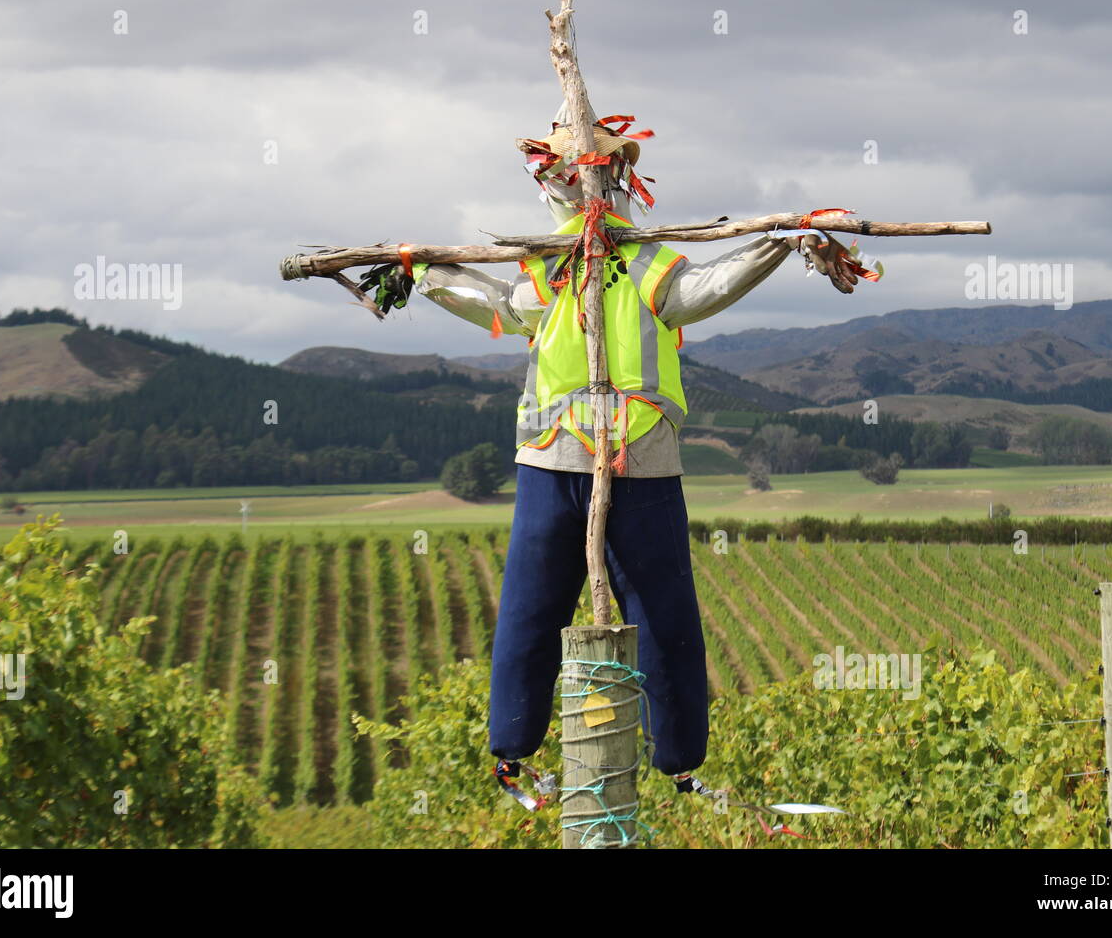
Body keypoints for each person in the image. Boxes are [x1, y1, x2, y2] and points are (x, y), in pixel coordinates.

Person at [358, 104, 859, 806]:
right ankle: (514, 750)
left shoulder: (651, 260)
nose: (579, 184)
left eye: (589, 169)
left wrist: (779, 244)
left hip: (640, 458)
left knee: (663, 615)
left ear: (619, 174)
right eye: (569, 172)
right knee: (531, 611)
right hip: (550, 456)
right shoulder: (544, 263)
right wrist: (426, 272)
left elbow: (701, 292)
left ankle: (681, 759)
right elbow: (503, 307)